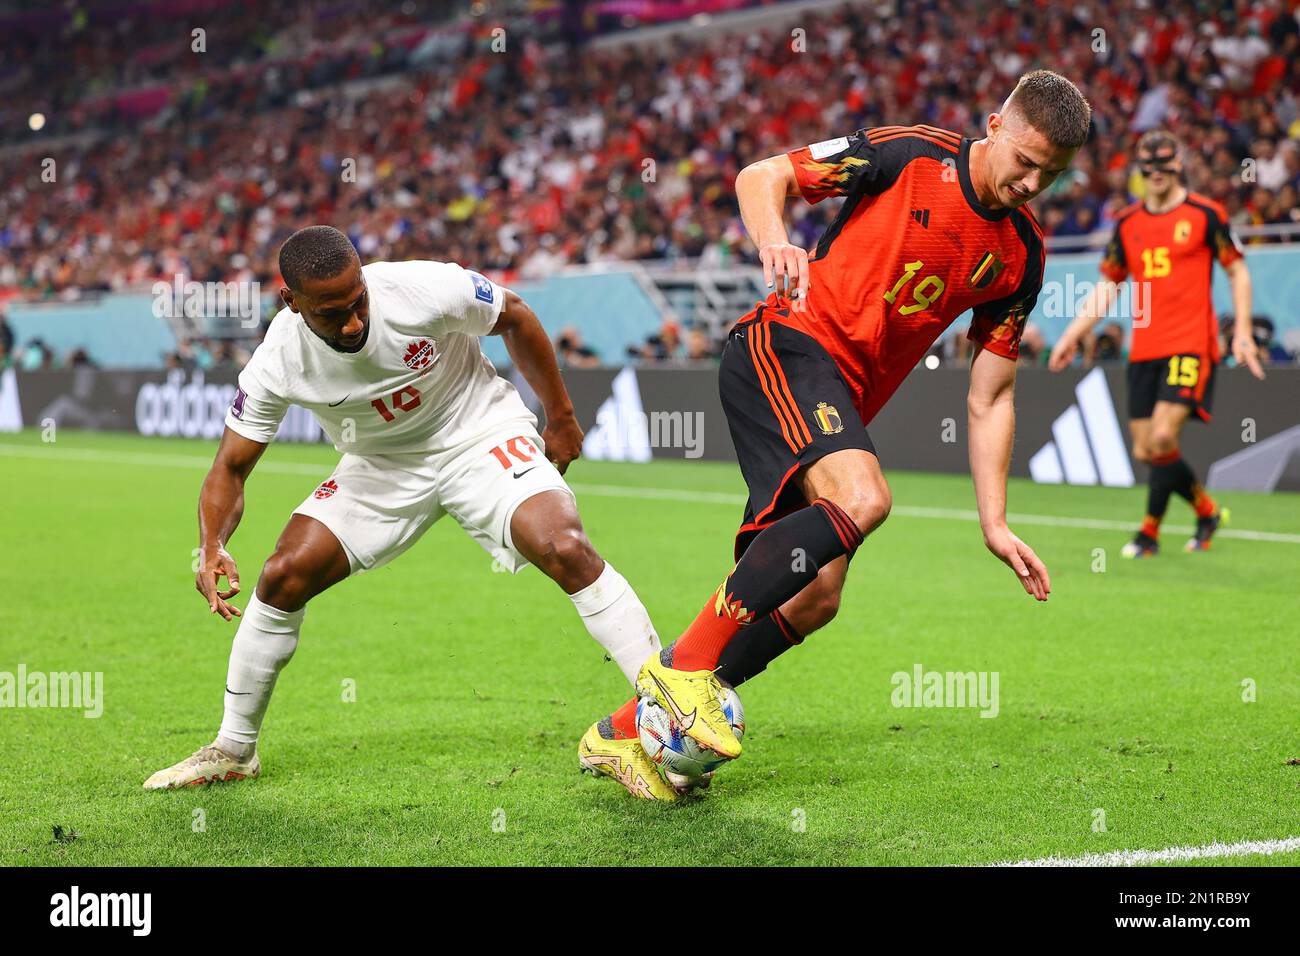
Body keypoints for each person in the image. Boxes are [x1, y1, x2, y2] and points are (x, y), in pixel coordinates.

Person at [581, 70, 1088, 801]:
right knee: (865, 496)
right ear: (994, 125)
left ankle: (624, 730)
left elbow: (992, 395)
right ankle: (682, 671)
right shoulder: (910, 155)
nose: (1034, 182)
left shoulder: (1020, 256)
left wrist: (996, 521)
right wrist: (775, 242)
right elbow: (763, 176)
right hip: (785, 345)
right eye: (1027, 160)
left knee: (816, 597)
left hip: (836, 396)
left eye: (1053, 174)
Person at [145, 226, 672, 798]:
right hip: (381, 465)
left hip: (478, 432)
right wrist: (213, 544)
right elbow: (230, 467)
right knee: (282, 576)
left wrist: (562, 417)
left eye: (357, 302)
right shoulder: (279, 358)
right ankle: (233, 749)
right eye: (331, 313)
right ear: (291, 302)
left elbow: (515, 315)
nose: (352, 322)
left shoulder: (423, 287)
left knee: (563, 545)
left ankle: (668, 715)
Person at [1049, 131, 1263, 558]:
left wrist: (1241, 331)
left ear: (1178, 162)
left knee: (1164, 436)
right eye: (1149, 165)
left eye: (1165, 163)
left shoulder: (1206, 214)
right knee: (1146, 448)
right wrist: (1073, 334)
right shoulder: (1128, 223)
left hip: (1191, 343)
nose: (1157, 172)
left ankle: (1149, 531)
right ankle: (1206, 511)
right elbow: (1108, 286)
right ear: (1140, 169)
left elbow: (1238, 271)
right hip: (1143, 347)